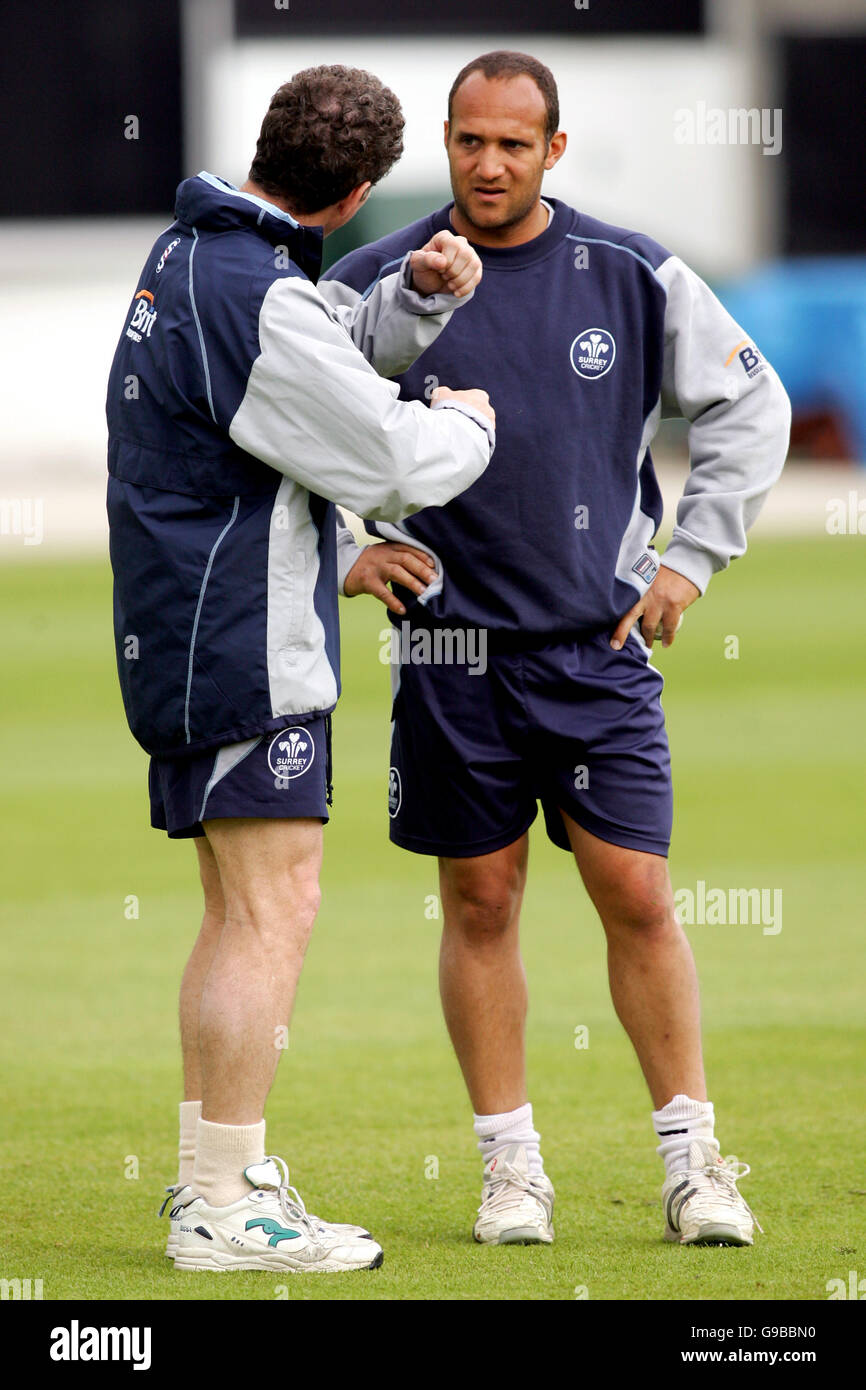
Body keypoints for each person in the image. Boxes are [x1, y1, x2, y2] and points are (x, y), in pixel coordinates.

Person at [326, 50, 790, 1248]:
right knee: (478, 899)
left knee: (633, 891)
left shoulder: (629, 271)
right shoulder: (383, 277)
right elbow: (285, 427)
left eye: (512, 145)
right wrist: (347, 546)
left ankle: (693, 1166)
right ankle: (510, 1170)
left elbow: (750, 404)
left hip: (594, 650)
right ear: (446, 139)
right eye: (469, 141)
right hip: (447, 661)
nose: (488, 164)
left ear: (553, 150)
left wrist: (690, 557)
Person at [105, 64, 495, 1275]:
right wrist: (468, 418)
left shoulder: (197, 248)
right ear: (366, 188)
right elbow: (384, 457)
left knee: (239, 910)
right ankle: (225, 1207)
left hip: (192, 628)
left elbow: (294, 358)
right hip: (237, 643)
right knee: (272, 910)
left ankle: (212, 1185)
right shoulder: (250, 293)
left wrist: (405, 306)